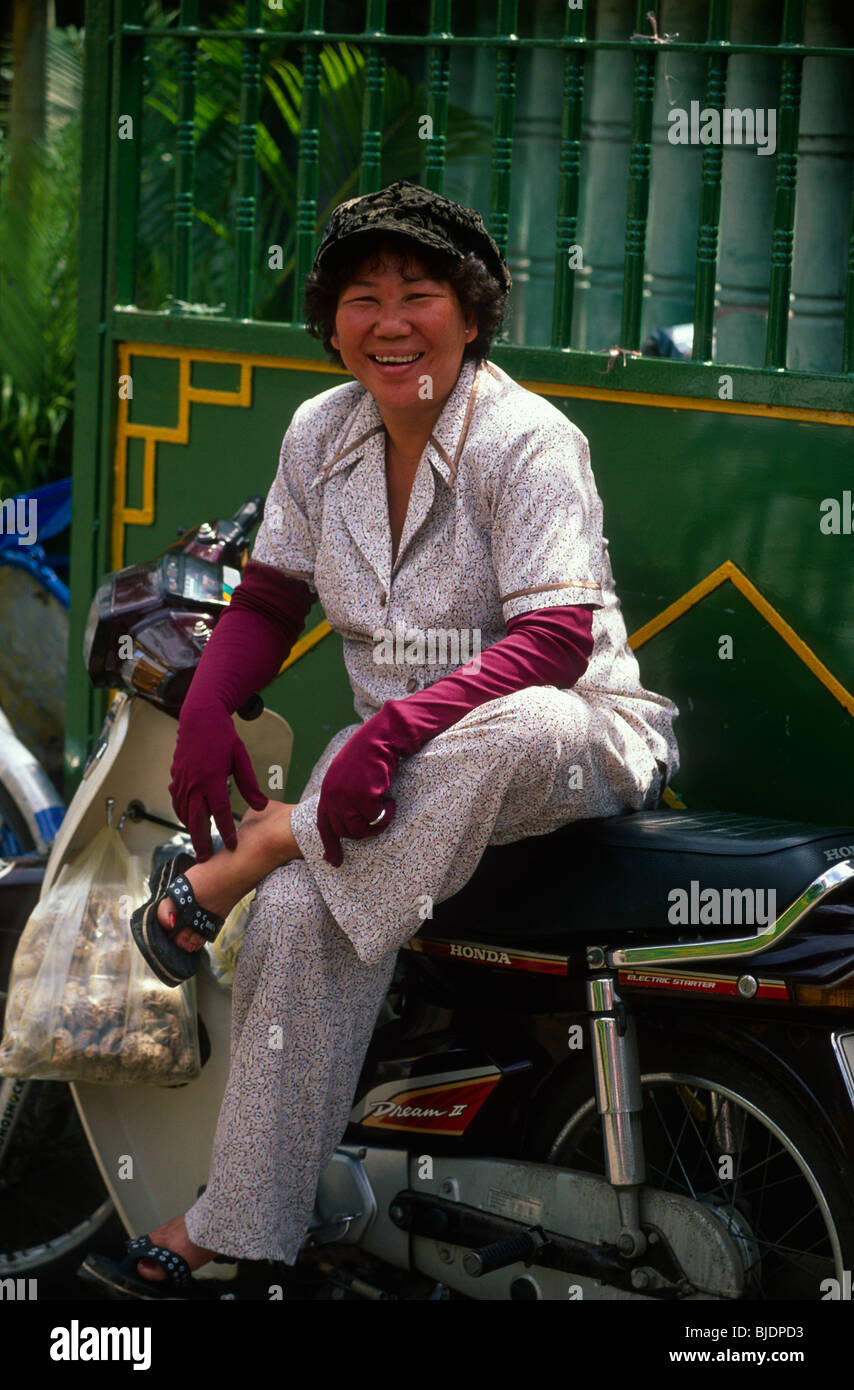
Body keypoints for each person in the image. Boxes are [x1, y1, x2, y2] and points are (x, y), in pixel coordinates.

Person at [80, 179, 679, 1297]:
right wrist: (210, 703)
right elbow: (266, 602)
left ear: (470, 310)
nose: (391, 321)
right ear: (331, 320)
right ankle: (245, 1225)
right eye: (363, 297)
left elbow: (554, 641)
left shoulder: (527, 440)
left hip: (560, 744)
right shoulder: (322, 433)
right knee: (302, 913)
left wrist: (393, 728)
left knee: (524, 719)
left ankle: (261, 849)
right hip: (390, 788)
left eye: (419, 293)